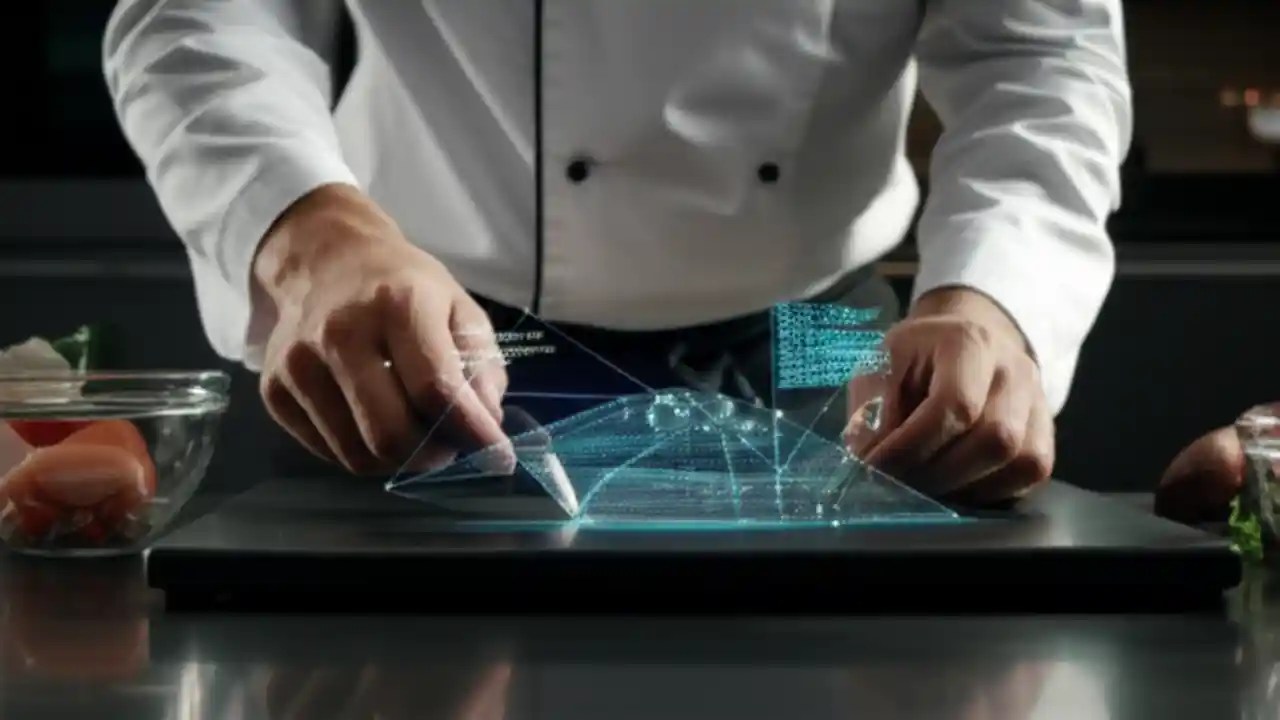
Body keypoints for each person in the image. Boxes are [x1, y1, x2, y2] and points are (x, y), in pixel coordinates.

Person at [102, 1, 1132, 505]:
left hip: (825, 348)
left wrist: (996, 299)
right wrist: (313, 240)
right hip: (429, 344)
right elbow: (198, 15)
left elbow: (1040, 49)